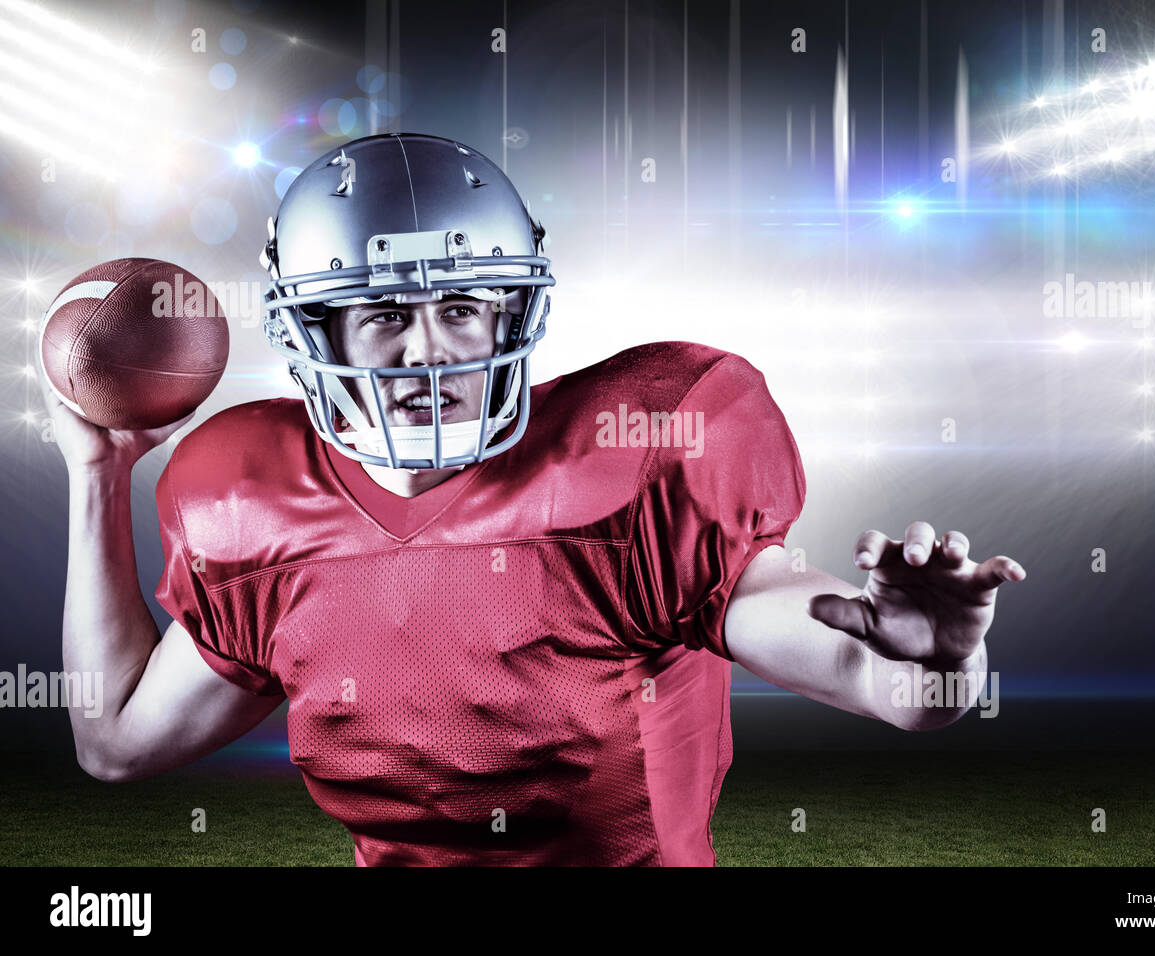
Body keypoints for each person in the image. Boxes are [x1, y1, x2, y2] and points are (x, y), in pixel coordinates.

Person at [47, 133, 1026, 866]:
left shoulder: (634, 453)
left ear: (518, 311)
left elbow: (883, 687)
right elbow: (116, 742)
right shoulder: (253, 495)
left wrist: (937, 657)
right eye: (385, 312)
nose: (429, 347)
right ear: (314, 331)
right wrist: (99, 475)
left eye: (463, 307)